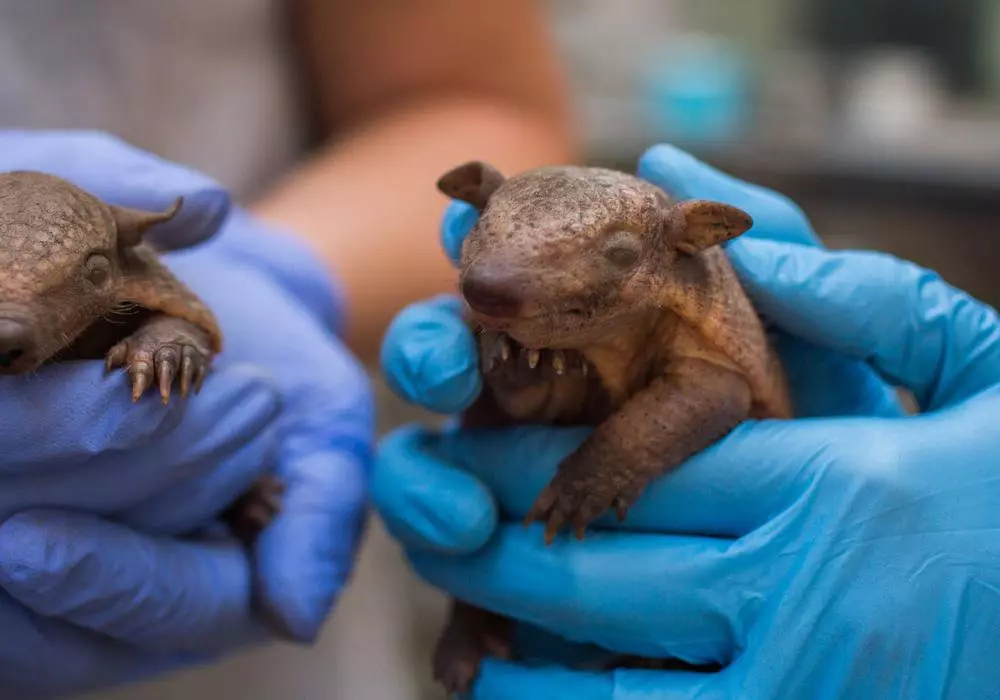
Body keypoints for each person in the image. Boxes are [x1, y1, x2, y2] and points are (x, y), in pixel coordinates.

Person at [373, 143, 1000, 699]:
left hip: (725, 538)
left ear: (690, 239)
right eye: (490, 227)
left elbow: (717, 389)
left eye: (618, 252)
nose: (495, 278)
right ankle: (478, 621)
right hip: (544, 516)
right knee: (491, 523)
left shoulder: (679, 319)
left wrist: (604, 466)